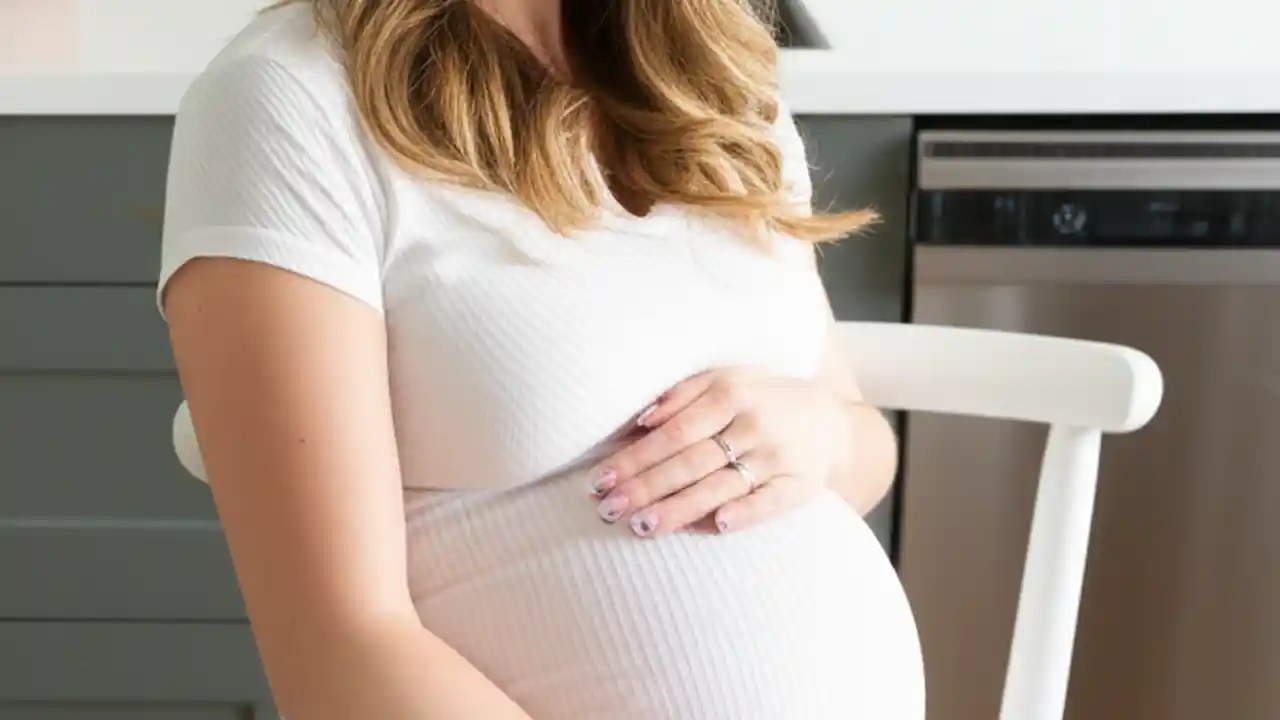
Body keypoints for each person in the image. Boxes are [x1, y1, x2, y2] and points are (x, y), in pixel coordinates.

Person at [158, 0, 925, 717]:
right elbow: (335, 654)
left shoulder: (711, 69)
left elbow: (862, 451)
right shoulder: (286, 97)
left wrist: (820, 432)